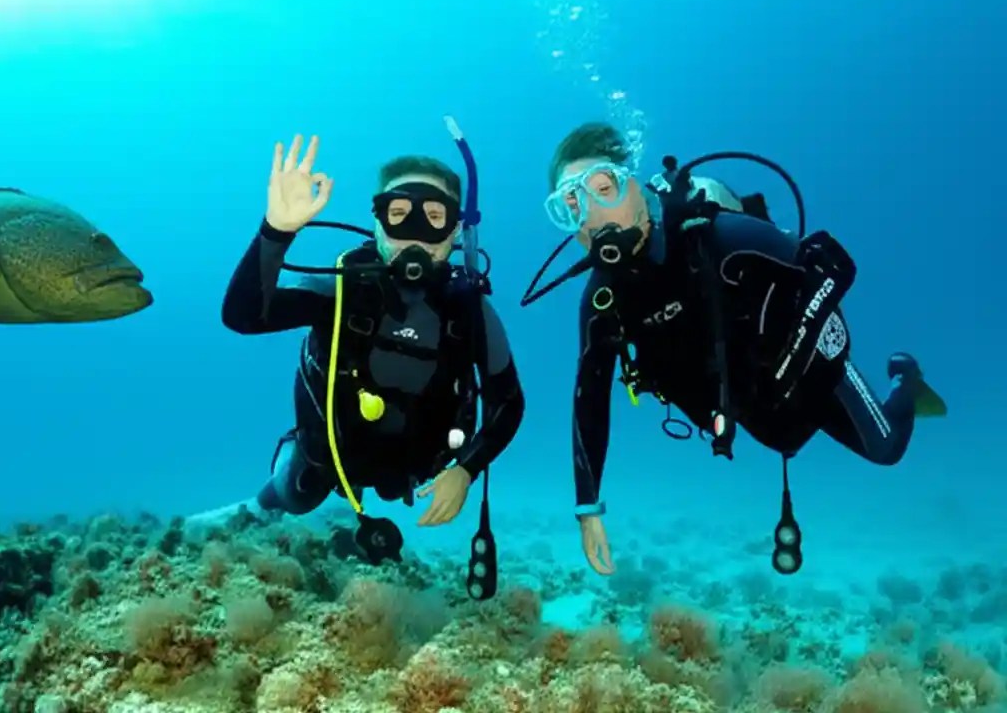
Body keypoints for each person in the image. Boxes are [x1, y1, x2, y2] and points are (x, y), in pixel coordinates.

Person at [526, 122, 946, 577]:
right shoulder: (602, 302)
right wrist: (588, 509)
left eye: (603, 188)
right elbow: (589, 397)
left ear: (632, 182)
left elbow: (823, 268)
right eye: (570, 205)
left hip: (811, 368)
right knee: (781, 439)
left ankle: (906, 378)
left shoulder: (717, 239)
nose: (590, 214)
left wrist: (809, 349)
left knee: (885, 449)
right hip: (751, 399)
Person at [221, 133, 525, 566]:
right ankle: (254, 505)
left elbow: (509, 404)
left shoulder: (469, 312)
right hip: (330, 454)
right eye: (399, 214)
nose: (416, 235)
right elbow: (243, 317)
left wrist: (465, 470)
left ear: (456, 229)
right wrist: (277, 231)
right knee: (295, 495)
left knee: (386, 483)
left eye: (434, 216)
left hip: (414, 465)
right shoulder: (342, 290)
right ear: (378, 223)